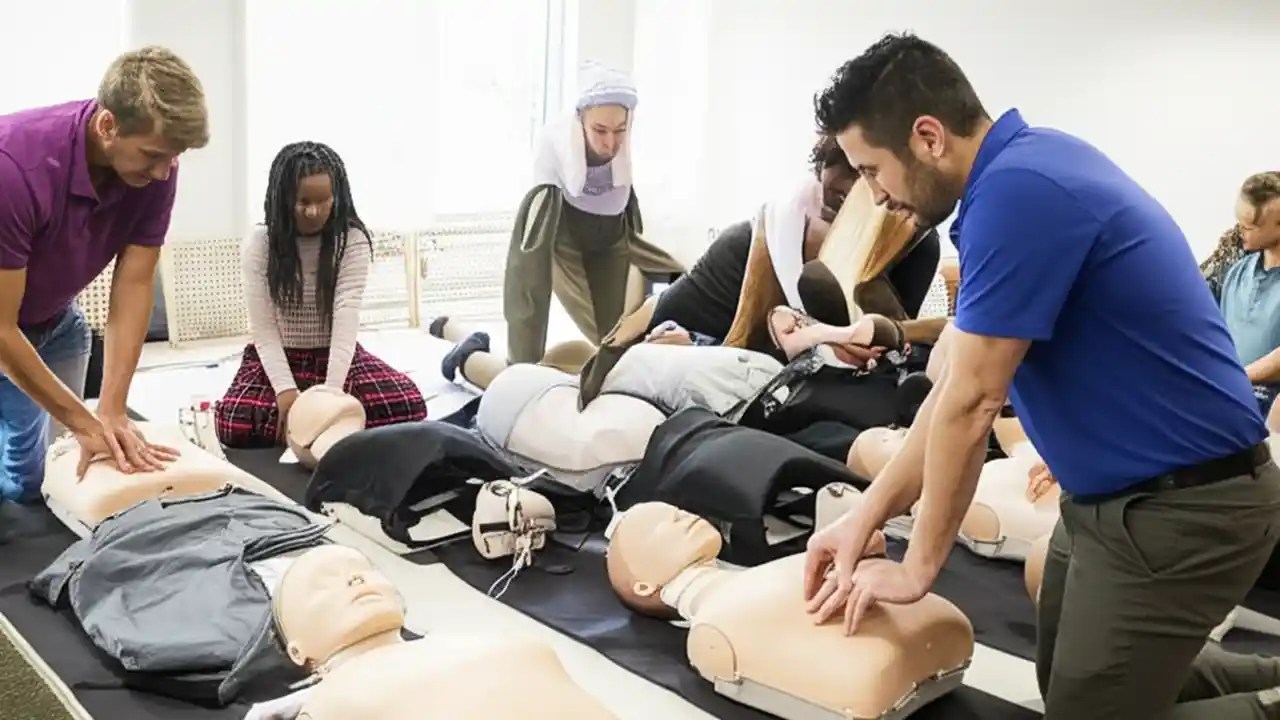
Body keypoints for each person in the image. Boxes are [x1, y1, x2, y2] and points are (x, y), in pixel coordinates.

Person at [802, 33, 1280, 719]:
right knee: (1075, 688)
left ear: (928, 136)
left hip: (1189, 508)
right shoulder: (1020, 174)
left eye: (873, 170)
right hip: (1112, 502)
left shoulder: (1019, 193)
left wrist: (917, 569)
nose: (875, 197)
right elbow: (950, 396)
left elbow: (972, 406)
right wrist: (865, 517)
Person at [0, 46, 209, 516]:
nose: (162, 172)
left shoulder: (158, 168)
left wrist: (112, 408)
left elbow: (134, 285)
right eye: (154, 156)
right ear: (108, 125)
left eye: (172, 159)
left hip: (54, 322)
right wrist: (81, 419)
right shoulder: (13, 169)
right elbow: (0, 328)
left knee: (38, 479)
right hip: (4, 324)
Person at [214, 142, 426, 448]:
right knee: (234, 421)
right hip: (280, 357)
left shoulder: (351, 240)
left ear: (337, 198)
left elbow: (346, 313)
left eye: (323, 201)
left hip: (336, 358)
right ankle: (312, 423)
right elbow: (264, 329)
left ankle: (310, 423)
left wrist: (330, 399)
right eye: (302, 202)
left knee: (409, 403)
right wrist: (286, 392)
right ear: (282, 199)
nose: (313, 212)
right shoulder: (260, 243)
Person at [502, 62, 684, 365]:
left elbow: (630, 236)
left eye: (619, 131)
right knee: (525, 367)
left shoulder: (624, 161)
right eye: (599, 130)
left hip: (608, 237)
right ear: (580, 122)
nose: (610, 143)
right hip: (562, 238)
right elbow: (528, 279)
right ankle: (465, 352)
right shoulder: (554, 155)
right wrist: (522, 364)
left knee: (616, 343)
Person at [1218, 172, 1280, 415]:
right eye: (1239, 222)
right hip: (1226, 395)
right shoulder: (1234, 269)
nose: (1240, 231)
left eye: (1250, 226)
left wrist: (1236, 379)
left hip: (1268, 408)